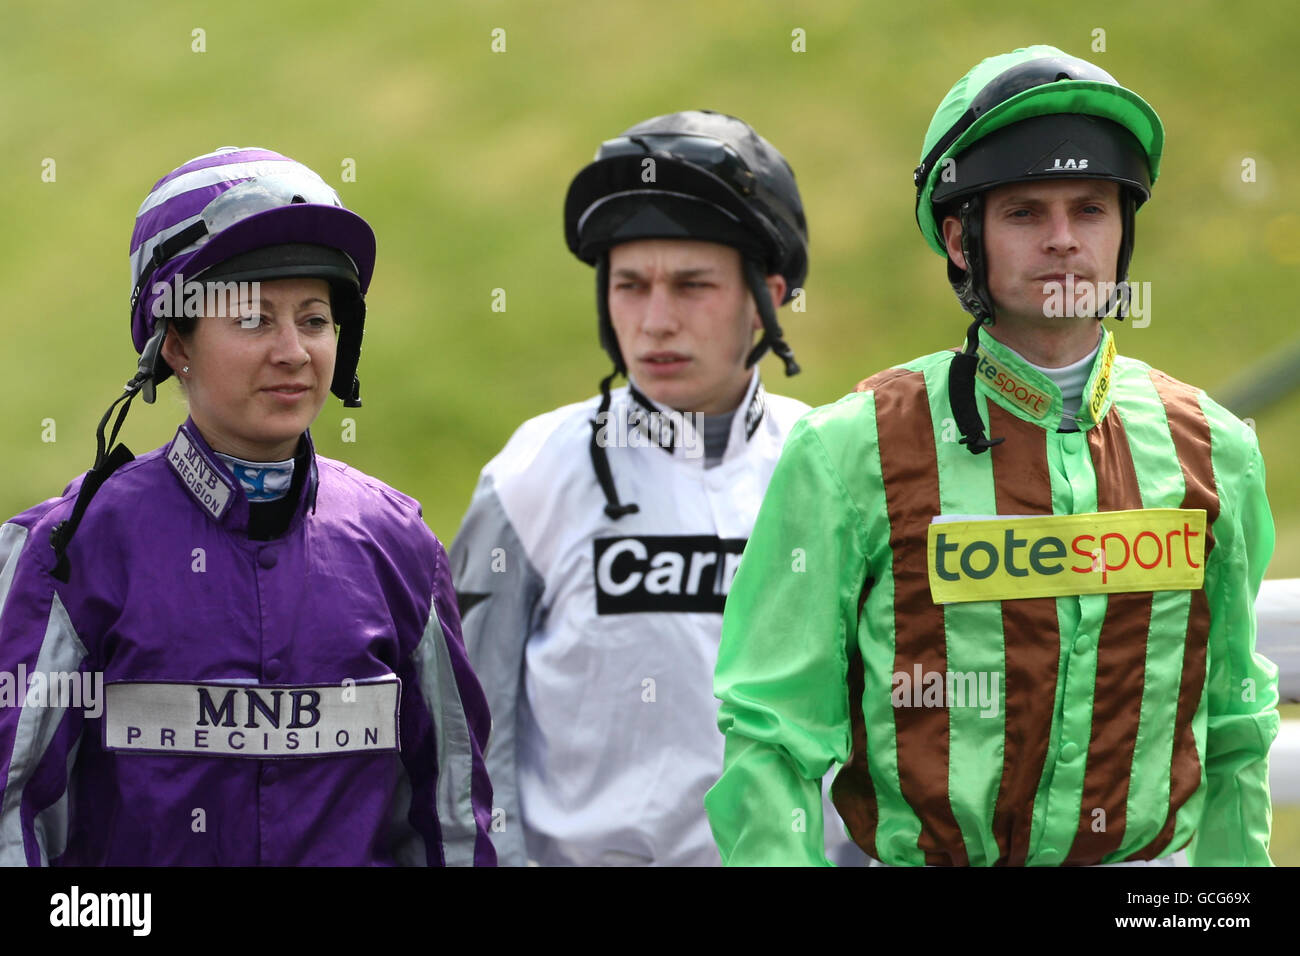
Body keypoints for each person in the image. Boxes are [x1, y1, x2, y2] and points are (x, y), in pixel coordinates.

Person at [706, 46, 1280, 866]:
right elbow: (773, 735)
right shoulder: (847, 450)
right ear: (960, 237)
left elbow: (1234, 728)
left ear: (1123, 230)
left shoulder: (1217, 448)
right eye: (1023, 213)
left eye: (1090, 209)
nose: (1062, 241)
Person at [0, 147, 495, 866]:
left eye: (316, 318)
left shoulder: (399, 546)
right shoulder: (69, 550)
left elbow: (451, 822)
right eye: (255, 319)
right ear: (174, 344)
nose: (294, 351)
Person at [452, 110, 857, 866]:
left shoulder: (837, 470)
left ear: (767, 297)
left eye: (692, 285)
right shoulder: (531, 474)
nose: (656, 321)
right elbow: (466, 735)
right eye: (631, 286)